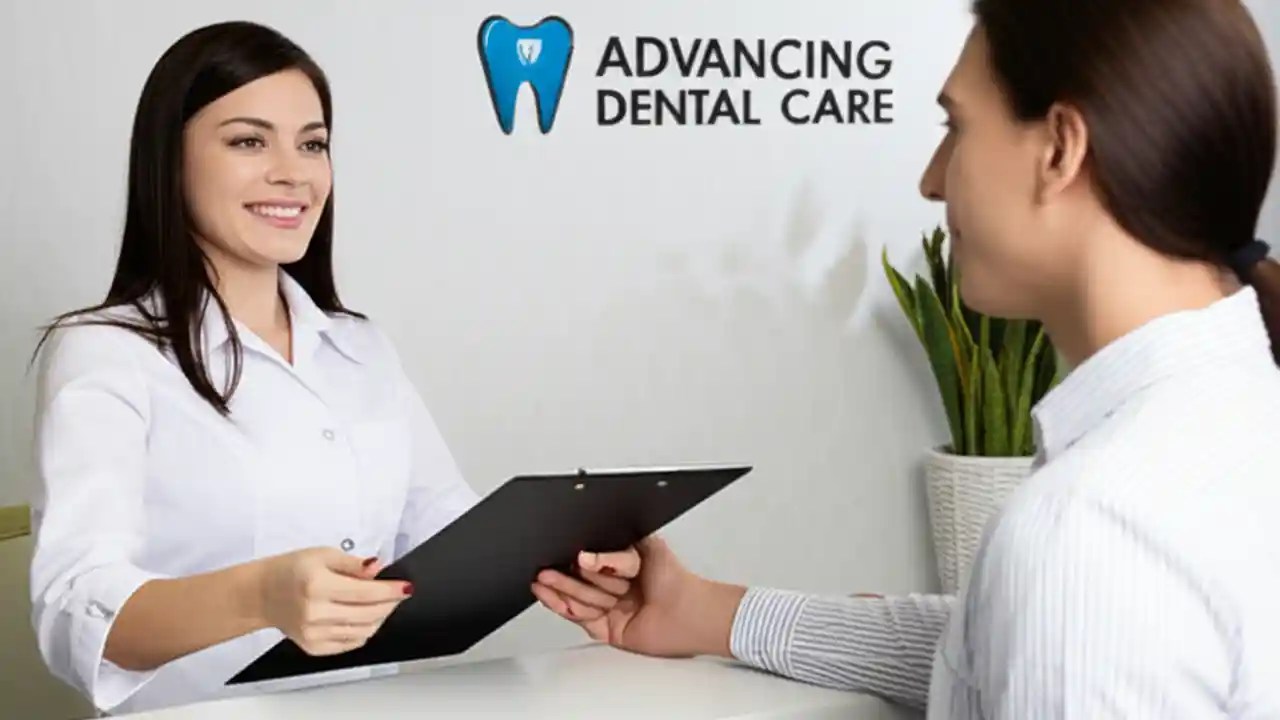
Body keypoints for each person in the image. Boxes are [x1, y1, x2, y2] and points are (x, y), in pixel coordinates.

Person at [533, 0, 1280, 716]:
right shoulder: (1230, 431)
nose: (931, 179)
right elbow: (999, 648)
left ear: (1059, 148)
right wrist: (705, 611)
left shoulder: (1093, 530)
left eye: (956, 126)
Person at [27, 21, 480, 715]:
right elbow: (74, 613)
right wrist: (260, 595)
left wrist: (583, 555)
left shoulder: (361, 347)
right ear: (169, 160)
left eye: (313, 144)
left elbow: (448, 531)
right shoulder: (106, 351)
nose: (293, 173)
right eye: (248, 141)